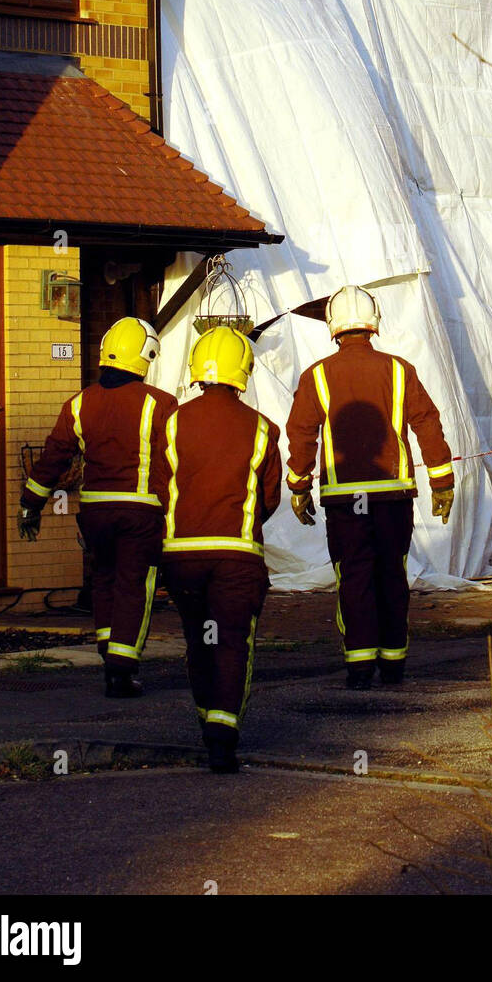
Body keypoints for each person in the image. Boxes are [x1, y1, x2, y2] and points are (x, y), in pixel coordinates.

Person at [286, 285, 454, 690]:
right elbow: (427, 423)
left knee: (354, 575)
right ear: (373, 323)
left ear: (333, 327)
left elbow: (301, 432)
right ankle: (394, 662)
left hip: (345, 500)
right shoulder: (400, 370)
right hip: (392, 496)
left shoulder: (317, 376)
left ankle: (360, 665)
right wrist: (442, 481)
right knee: (392, 573)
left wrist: (298, 485)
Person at [19, 317, 176, 697]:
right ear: (147, 355)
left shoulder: (78, 403)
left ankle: (109, 653)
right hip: (141, 512)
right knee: (133, 587)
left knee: (104, 581)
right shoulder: (162, 404)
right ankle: (121, 670)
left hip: (95, 514)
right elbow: (174, 463)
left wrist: (30, 503)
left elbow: (54, 456)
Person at [155, 326, 280, 773]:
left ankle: (208, 720)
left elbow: (158, 488)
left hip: (183, 557)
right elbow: (270, 499)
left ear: (197, 370)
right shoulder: (263, 428)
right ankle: (222, 737)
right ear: (242, 371)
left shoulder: (172, 422)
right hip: (236, 557)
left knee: (199, 639)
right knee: (231, 642)